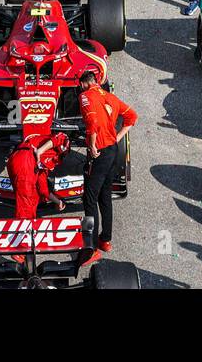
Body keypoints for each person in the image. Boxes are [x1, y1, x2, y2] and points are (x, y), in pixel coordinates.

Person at [78, 68, 138, 253]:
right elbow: (132, 116)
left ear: (83, 84)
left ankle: (91, 245)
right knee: (105, 197)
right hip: (112, 150)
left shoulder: (85, 96)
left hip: (100, 152)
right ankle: (105, 241)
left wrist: (93, 146)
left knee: (89, 198)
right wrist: (117, 137)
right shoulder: (110, 97)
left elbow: (92, 122)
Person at [7, 132, 68, 219]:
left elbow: (43, 189)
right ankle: (24, 228)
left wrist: (58, 202)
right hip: (26, 159)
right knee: (26, 202)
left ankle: (29, 225)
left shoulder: (44, 162)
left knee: (33, 196)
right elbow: (61, 137)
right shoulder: (63, 146)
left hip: (19, 159)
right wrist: (40, 151)